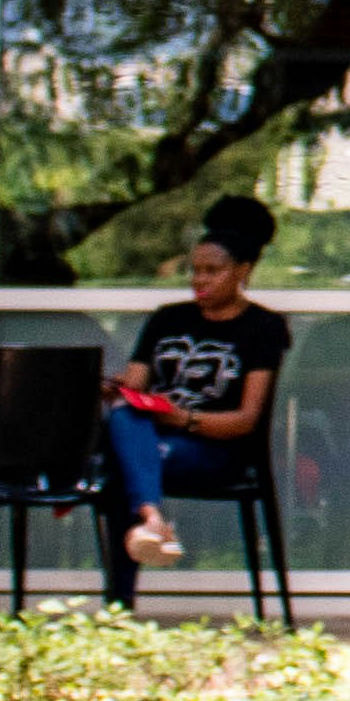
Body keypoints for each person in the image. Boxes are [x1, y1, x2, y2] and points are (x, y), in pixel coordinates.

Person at [100, 196, 291, 599]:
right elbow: (134, 382)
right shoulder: (168, 318)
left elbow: (246, 420)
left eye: (213, 271)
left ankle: (119, 608)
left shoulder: (262, 327)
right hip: (154, 438)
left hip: (217, 449)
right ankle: (152, 517)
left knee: (122, 467)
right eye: (195, 271)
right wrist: (113, 387)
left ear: (242, 271)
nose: (200, 280)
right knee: (123, 415)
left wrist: (182, 418)